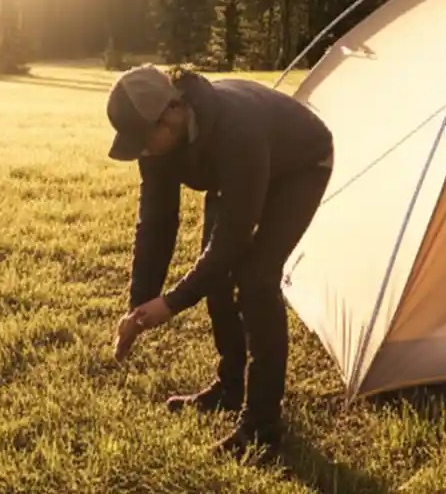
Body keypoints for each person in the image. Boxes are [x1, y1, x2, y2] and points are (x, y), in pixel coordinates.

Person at [106, 63, 333, 460]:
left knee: (256, 278)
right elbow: (156, 223)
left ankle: (263, 427)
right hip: (234, 176)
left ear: (173, 113)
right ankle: (230, 388)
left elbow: (231, 240)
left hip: (300, 165)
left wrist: (171, 304)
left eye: (143, 139)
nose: (142, 150)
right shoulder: (156, 142)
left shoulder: (235, 130)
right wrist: (140, 307)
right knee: (216, 277)